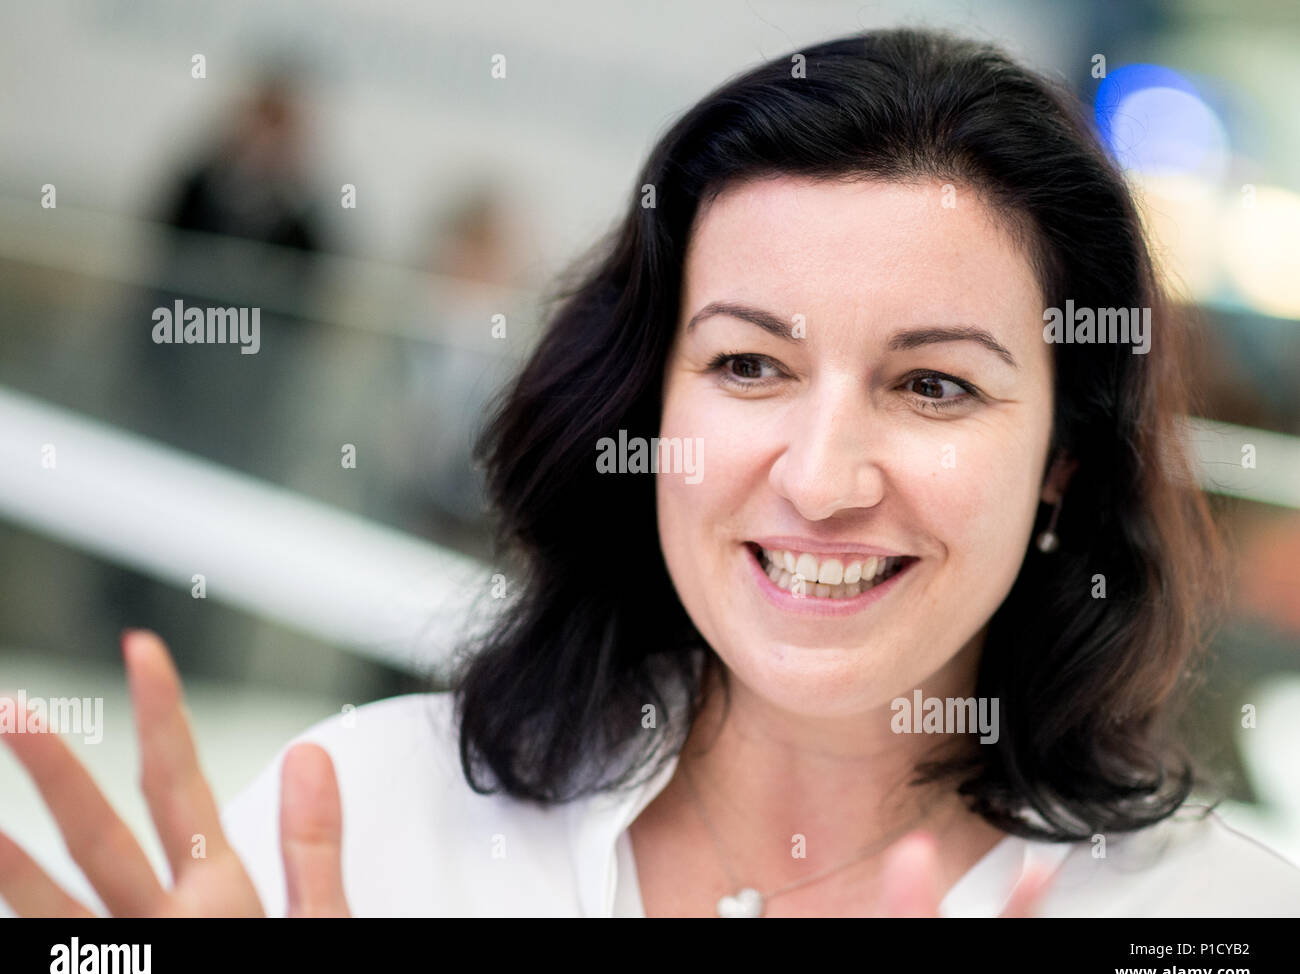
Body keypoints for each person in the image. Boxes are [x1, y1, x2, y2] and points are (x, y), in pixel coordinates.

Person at [3, 28, 1299, 918]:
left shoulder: (1210, 917)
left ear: (1061, 464)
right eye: (748, 367)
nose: (825, 475)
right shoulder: (359, 819)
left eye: (933, 385)